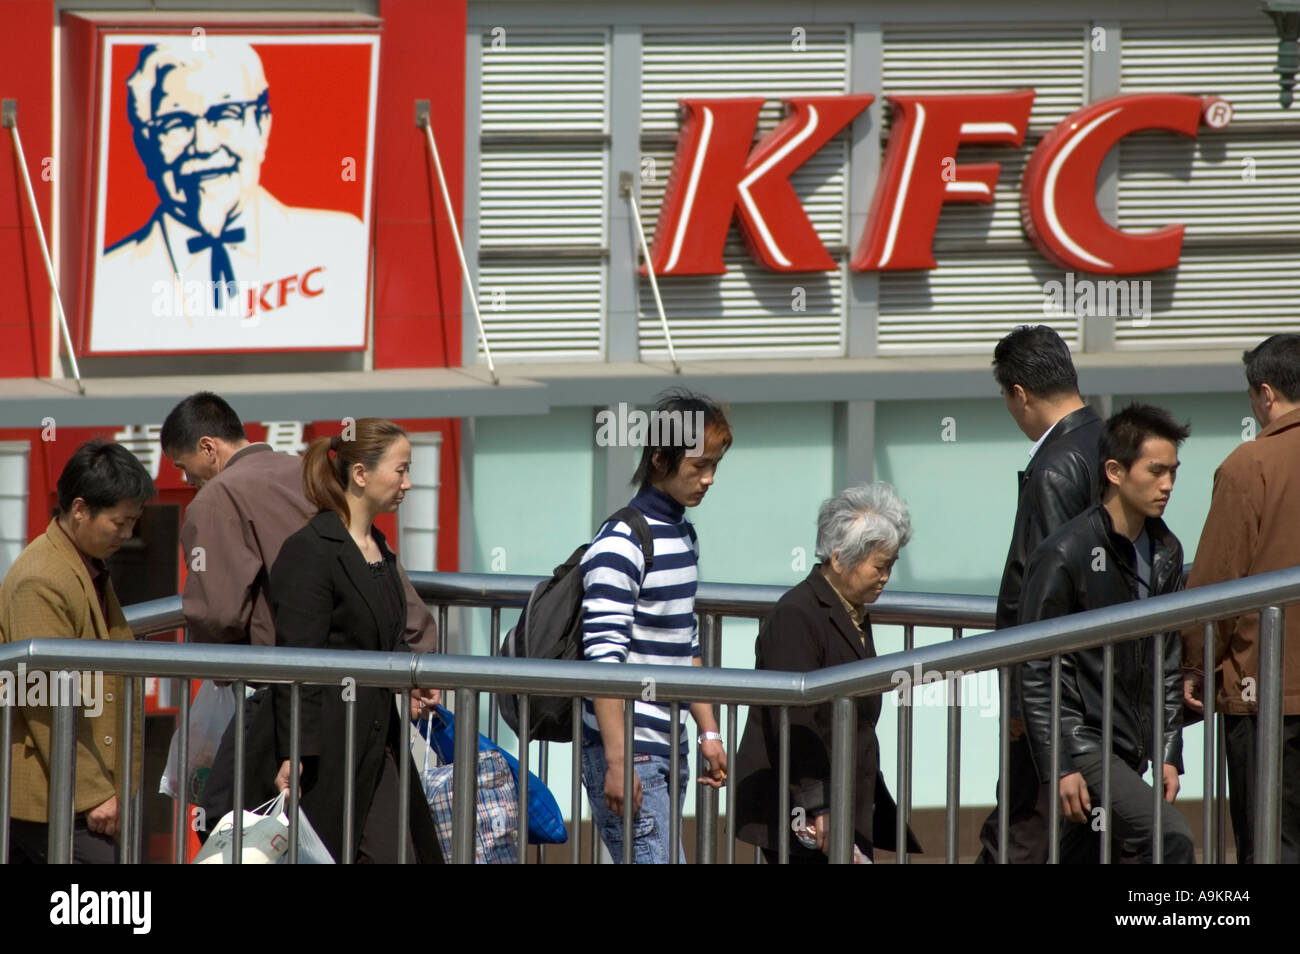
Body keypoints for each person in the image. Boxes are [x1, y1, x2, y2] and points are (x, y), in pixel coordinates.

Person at [167, 393, 440, 841]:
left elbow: (218, 613)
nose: (186, 477)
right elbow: (387, 585)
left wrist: (229, 662)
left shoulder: (218, 498)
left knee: (254, 828)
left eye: (183, 465)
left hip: (292, 703)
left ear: (208, 448)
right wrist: (418, 659)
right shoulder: (313, 472)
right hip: (367, 705)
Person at [92, 37, 366, 349]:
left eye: (224, 114)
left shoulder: (341, 246)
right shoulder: (109, 279)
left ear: (261, 127)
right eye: (176, 122)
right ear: (145, 145)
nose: (204, 145)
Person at [1018, 404, 1194, 864]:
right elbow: (1035, 665)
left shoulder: (1166, 550)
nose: (1168, 485)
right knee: (1170, 836)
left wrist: (1170, 749)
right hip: (1083, 740)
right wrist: (1062, 762)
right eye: (1155, 471)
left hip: (1132, 744)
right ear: (1114, 471)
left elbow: (1167, 657)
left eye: (1173, 471)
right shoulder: (1065, 552)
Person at [266, 419, 441, 863]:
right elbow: (296, 661)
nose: (408, 482)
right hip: (329, 749)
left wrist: (410, 676)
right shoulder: (311, 549)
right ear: (360, 474)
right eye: (400, 470)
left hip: (377, 739)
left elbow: (380, 636)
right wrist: (295, 754)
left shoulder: (376, 546)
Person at [579, 390, 730, 863]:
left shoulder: (684, 534)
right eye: (699, 466)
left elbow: (685, 640)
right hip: (630, 749)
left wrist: (708, 731)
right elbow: (603, 662)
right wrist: (619, 762)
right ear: (662, 459)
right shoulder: (622, 541)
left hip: (671, 743)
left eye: (715, 466)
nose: (709, 479)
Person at [734, 482, 921, 863]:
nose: (886, 577)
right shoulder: (797, 614)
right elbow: (794, 716)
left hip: (843, 795)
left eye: (891, 565)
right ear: (839, 559)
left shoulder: (851, 608)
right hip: (806, 807)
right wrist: (817, 806)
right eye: (879, 566)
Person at [976, 324, 1103, 864]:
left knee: (1023, 828)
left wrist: (1022, 699)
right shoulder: (1108, 441)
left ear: (1020, 394)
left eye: (1008, 400)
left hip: (1056, 690)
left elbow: (1044, 592)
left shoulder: (1054, 466)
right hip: (1101, 682)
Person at [1, 441, 151, 863]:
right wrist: (94, 794)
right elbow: (45, 702)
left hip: (75, 788)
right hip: (55, 796)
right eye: (119, 522)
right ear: (80, 509)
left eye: (133, 522)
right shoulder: (42, 578)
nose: (127, 534)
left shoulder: (80, 562)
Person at [1182, 333, 1300, 863]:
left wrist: (1195, 661)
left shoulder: (1250, 465)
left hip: (1266, 689)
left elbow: (1216, 582)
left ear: (1266, 395)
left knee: (1269, 842)